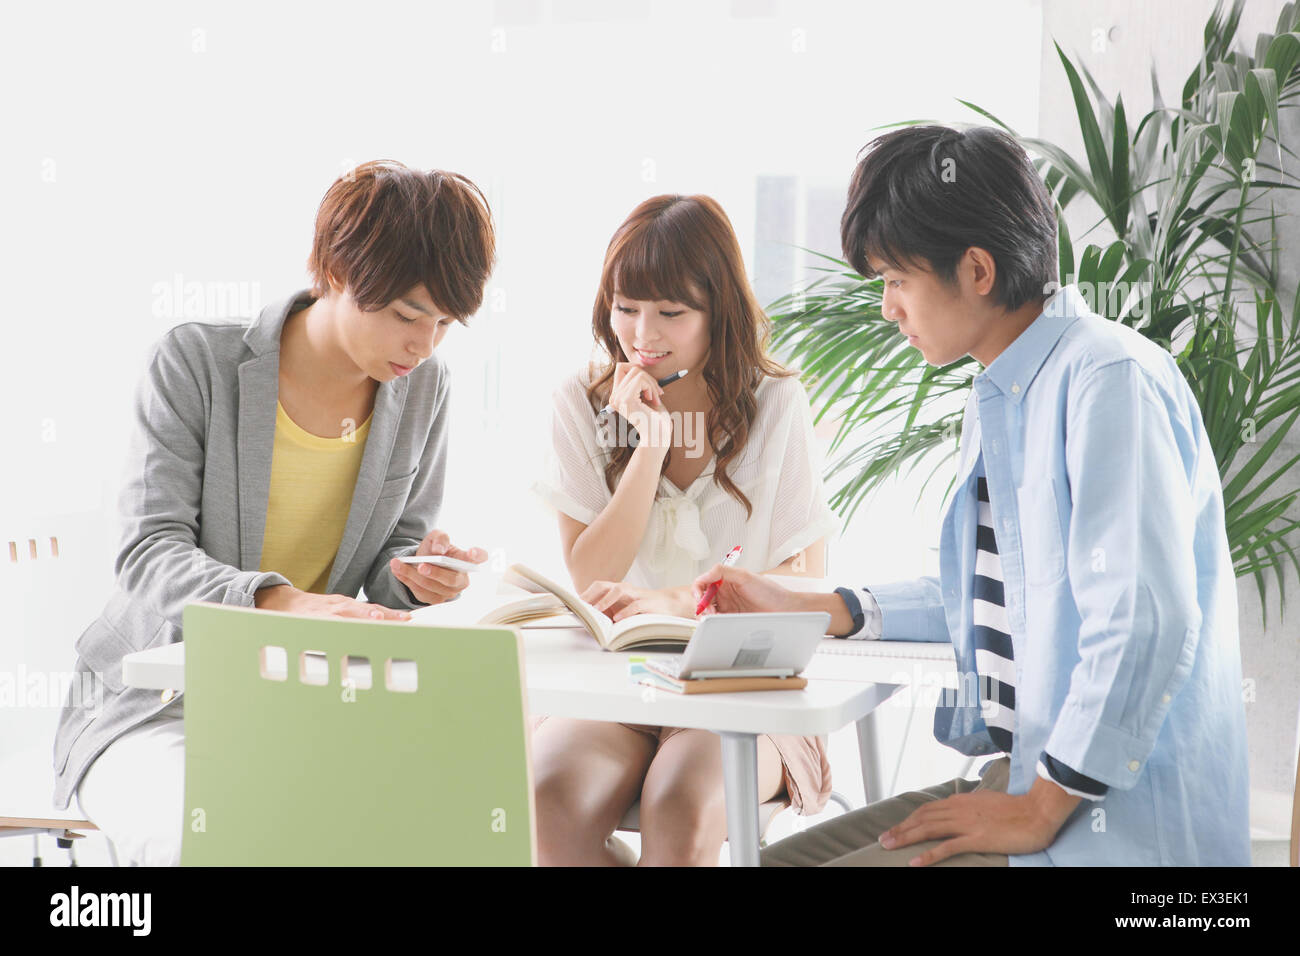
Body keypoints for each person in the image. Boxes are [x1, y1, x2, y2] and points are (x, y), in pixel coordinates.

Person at [694, 126, 1251, 867]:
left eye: (896, 279)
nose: (888, 307)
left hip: (1111, 828)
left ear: (978, 269)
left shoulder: (1107, 379)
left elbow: (1143, 617)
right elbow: (1012, 595)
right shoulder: (1003, 392)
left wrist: (1037, 810)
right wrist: (827, 606)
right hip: (1033, 783)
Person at [51, 160, 496, 865]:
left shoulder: (423, 387)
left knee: (452, 827)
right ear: (340, 273)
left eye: (445, 322)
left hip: (308, 703)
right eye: (408, 315)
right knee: (214, 842)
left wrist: (413, 576)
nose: (425, 343)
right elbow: (147, 553)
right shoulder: (195, 363)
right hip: (156, 710)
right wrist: (282, 601)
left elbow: (386, 562)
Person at [530, 194, 840, 866]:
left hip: (741, 685)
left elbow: (804, 580)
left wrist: (676, 602)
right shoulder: (580, 403)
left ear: (717, 311)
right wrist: (649, 446)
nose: (642, 334)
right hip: (620, 683)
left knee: (677, 806)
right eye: (626, 307)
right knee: (546, 797)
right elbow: (592, 577)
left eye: (671, 312)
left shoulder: (775, 401)